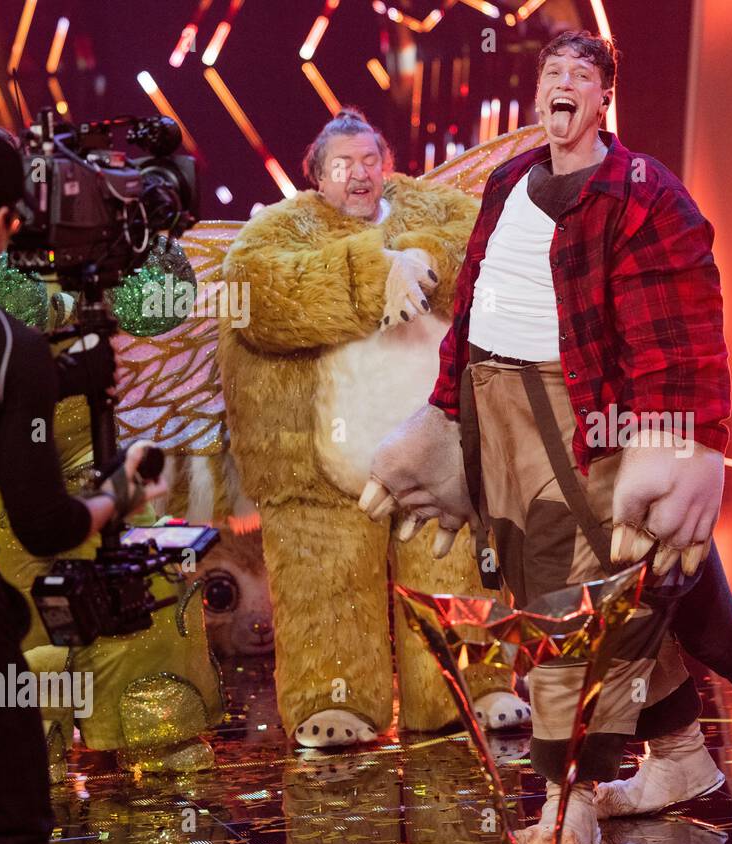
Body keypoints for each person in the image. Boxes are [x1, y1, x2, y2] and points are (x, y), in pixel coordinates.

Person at [360, 30, 732, 844]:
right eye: (550, 74)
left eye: (581, 75)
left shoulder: (643, 193)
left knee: (572, 617)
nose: (561, 86)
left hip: (583, 422)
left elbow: (681, 334)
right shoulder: (506, 183)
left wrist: (677, 439)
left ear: (605, 97)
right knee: (591, 606)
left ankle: (568, 806)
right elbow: (470, 317)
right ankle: (681, 759)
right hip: (499, 418)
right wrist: (441, 418)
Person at [218, 109, 524, 749]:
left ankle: (464, 690)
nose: (358, 175)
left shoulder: (429, 208)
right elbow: (257, 295)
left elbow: (485, 247)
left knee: (454, 575)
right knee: (326, 591)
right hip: (317, 466)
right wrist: (369, 273)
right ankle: (337, 702)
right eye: (342, 164)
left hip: (435, 451)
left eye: (368, 161)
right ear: (316, 175)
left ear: (384, 164)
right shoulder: (284, 229)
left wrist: (422, 258)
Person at [0, 128, 164, 844]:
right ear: (3, 223)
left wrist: (54, 379)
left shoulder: (17, 356)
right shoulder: (8, 346)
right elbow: (44, 523)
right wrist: (117, 494)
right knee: (11, 827)